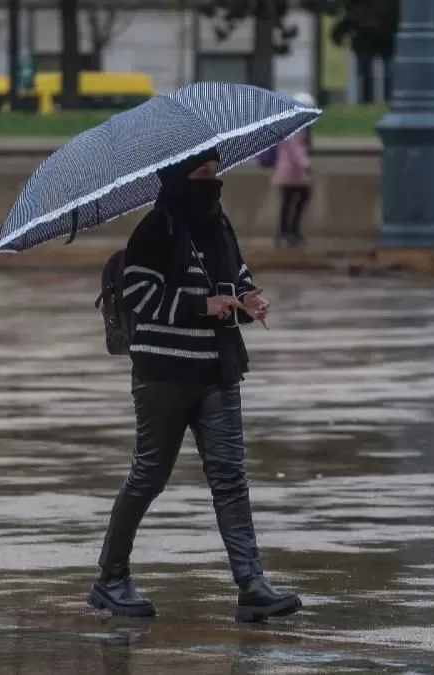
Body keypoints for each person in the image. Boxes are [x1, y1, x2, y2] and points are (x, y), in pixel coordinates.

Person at [88, 148, 303, 623]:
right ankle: (111, 577)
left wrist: (248, 298)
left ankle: (251, 583)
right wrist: (203, 306)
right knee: (149, 475)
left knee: (230, 477)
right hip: (164, 375)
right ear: (178, 177)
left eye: (215, 173)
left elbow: (235, 273)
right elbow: (140, 295)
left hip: (217, 370)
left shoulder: (218, 226)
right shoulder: (155, 229)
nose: (212, 183)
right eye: (201, 174)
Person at [274, 92, 314, 247]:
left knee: (294, 199)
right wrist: (305, 164)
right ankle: (287, 232)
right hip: (291, 171)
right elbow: (294, 148)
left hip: (294, 171)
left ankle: (290, 231)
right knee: (290, 200)